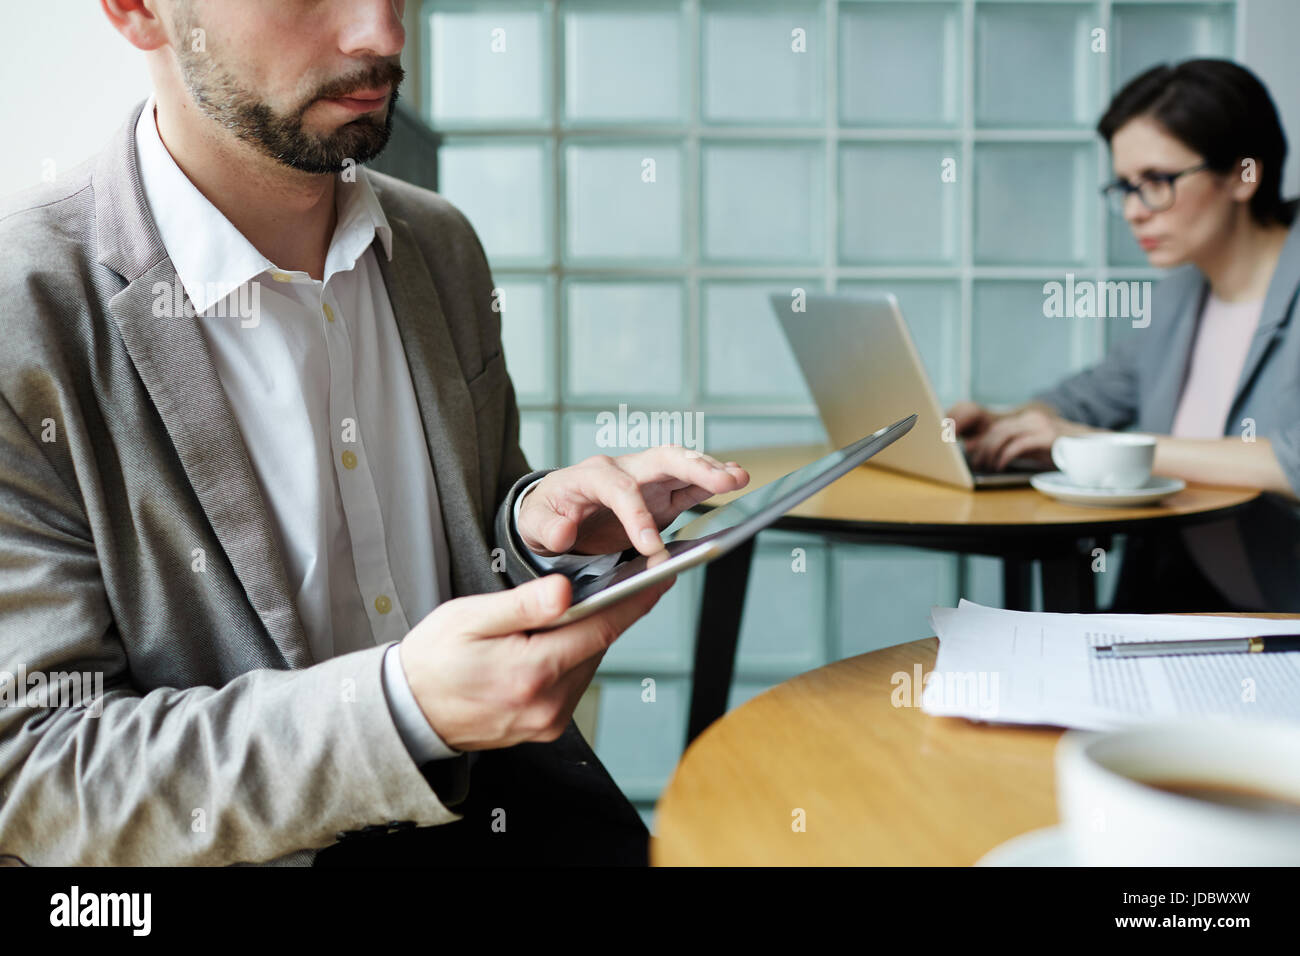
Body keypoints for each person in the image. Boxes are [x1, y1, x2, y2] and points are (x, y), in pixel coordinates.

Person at [0, 0, 748, 866]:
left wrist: (540, 537)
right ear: (136, 11)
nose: (383, 36)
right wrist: (395, 711)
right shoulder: (28, 315)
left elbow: (472, 540)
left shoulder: (439, 244)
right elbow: (34, 772)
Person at [948, 59, 1300, 612]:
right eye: (1124, 187)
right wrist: (1005, 422)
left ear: (1242, 174)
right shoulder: (1181, 295)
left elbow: (1291, 460)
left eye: (1157, 183)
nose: (1134, 212)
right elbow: (1091, 398)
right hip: (1193, 610)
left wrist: (1088, 443)